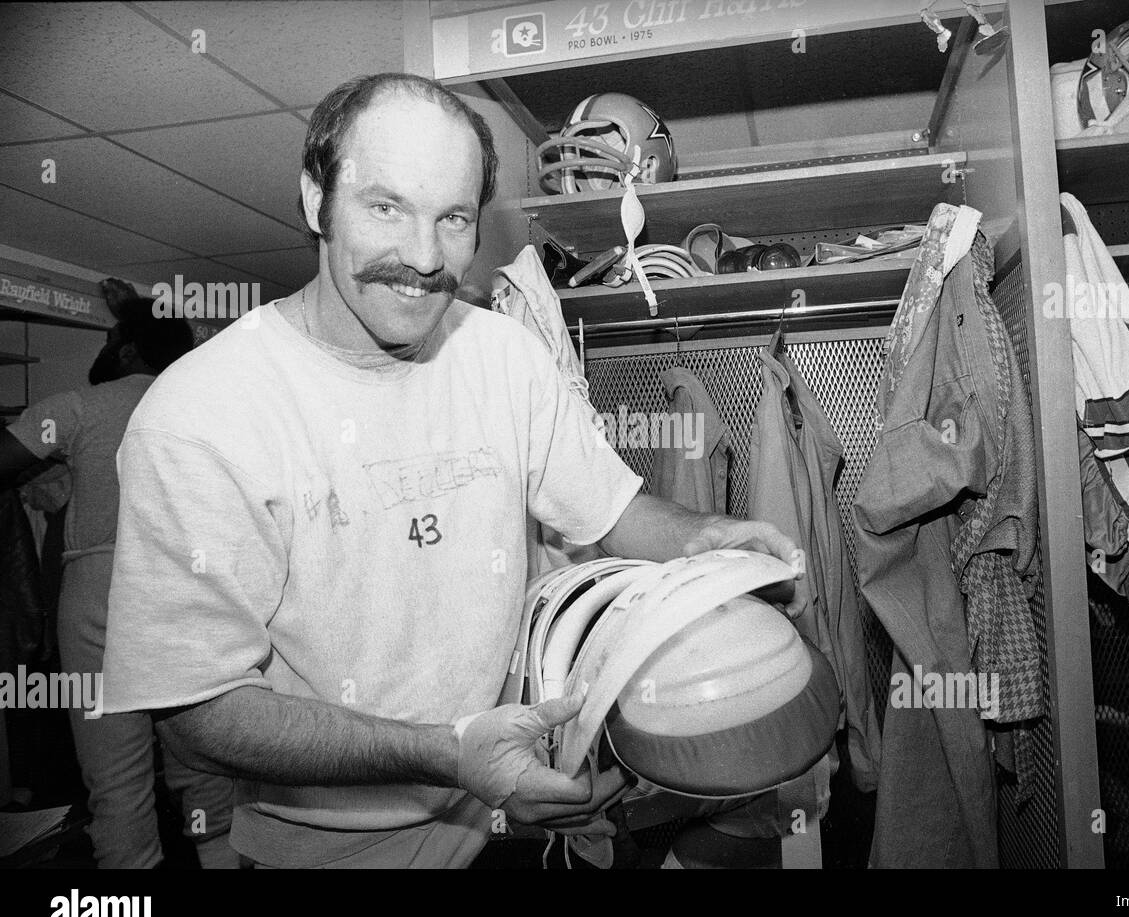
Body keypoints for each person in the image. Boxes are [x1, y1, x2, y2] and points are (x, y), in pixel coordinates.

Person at [98, 73, 805, 869]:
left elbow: (609, 511)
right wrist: (449, 751)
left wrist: (708, 536)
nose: (425, 259)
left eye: (454, 218)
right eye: (387, 207)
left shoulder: (504, 355)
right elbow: (200, 710)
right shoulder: (199, 413)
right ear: (314, 201)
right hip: (328, 851)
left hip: (507, 818)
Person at [0, 293, 237, 868]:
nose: (104, 351)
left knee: (116, 778)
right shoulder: (208, 405)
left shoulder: (81, 406)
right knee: (200, 763)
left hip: (103, 582)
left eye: (110, 340)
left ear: (128, 348)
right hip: (191, 584)